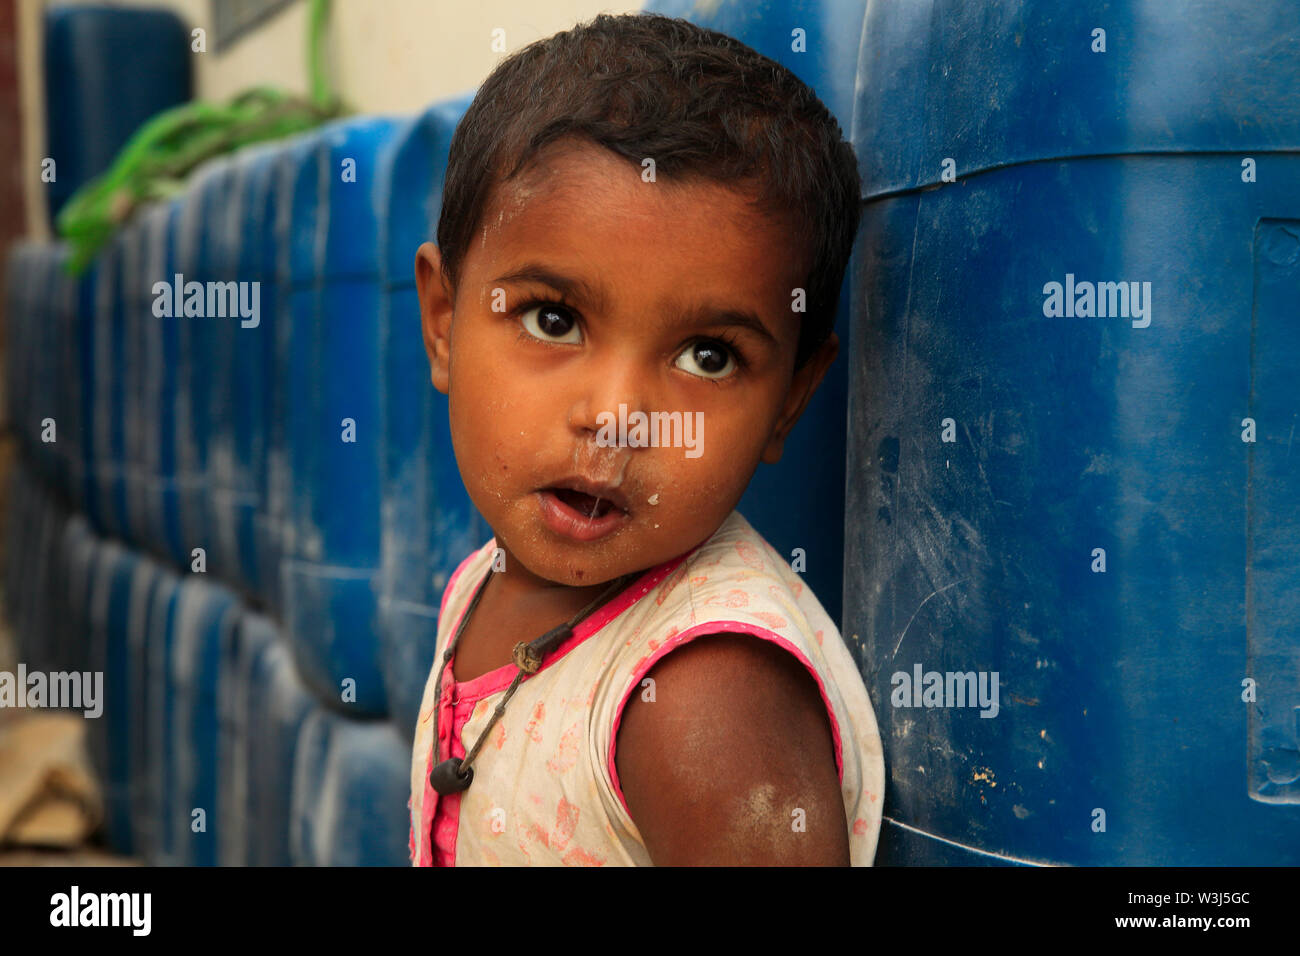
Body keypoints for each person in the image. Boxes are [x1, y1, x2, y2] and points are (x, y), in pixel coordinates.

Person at [408, 11, 883, 866]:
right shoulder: (479, 585)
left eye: (709, 356)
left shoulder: (706, 703)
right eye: (554, 319)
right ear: (444, 321)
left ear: (790, 401)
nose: (620, 415)